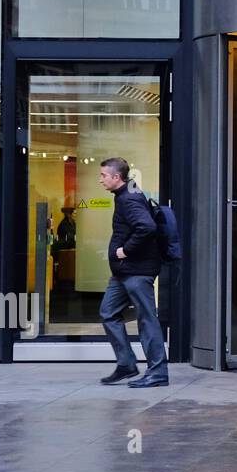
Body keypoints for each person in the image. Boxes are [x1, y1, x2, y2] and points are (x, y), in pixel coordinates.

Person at [96, 157, 169, 388]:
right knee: (108, 313)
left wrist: (125, 250)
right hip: (123, 273)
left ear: (116, 177)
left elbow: (147, 227)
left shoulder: (129, 199)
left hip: (137, 271)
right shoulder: (128, 193)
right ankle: (127, 364)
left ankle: (157, 372)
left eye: (103, 176)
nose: (100, 180)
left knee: (147, 320)